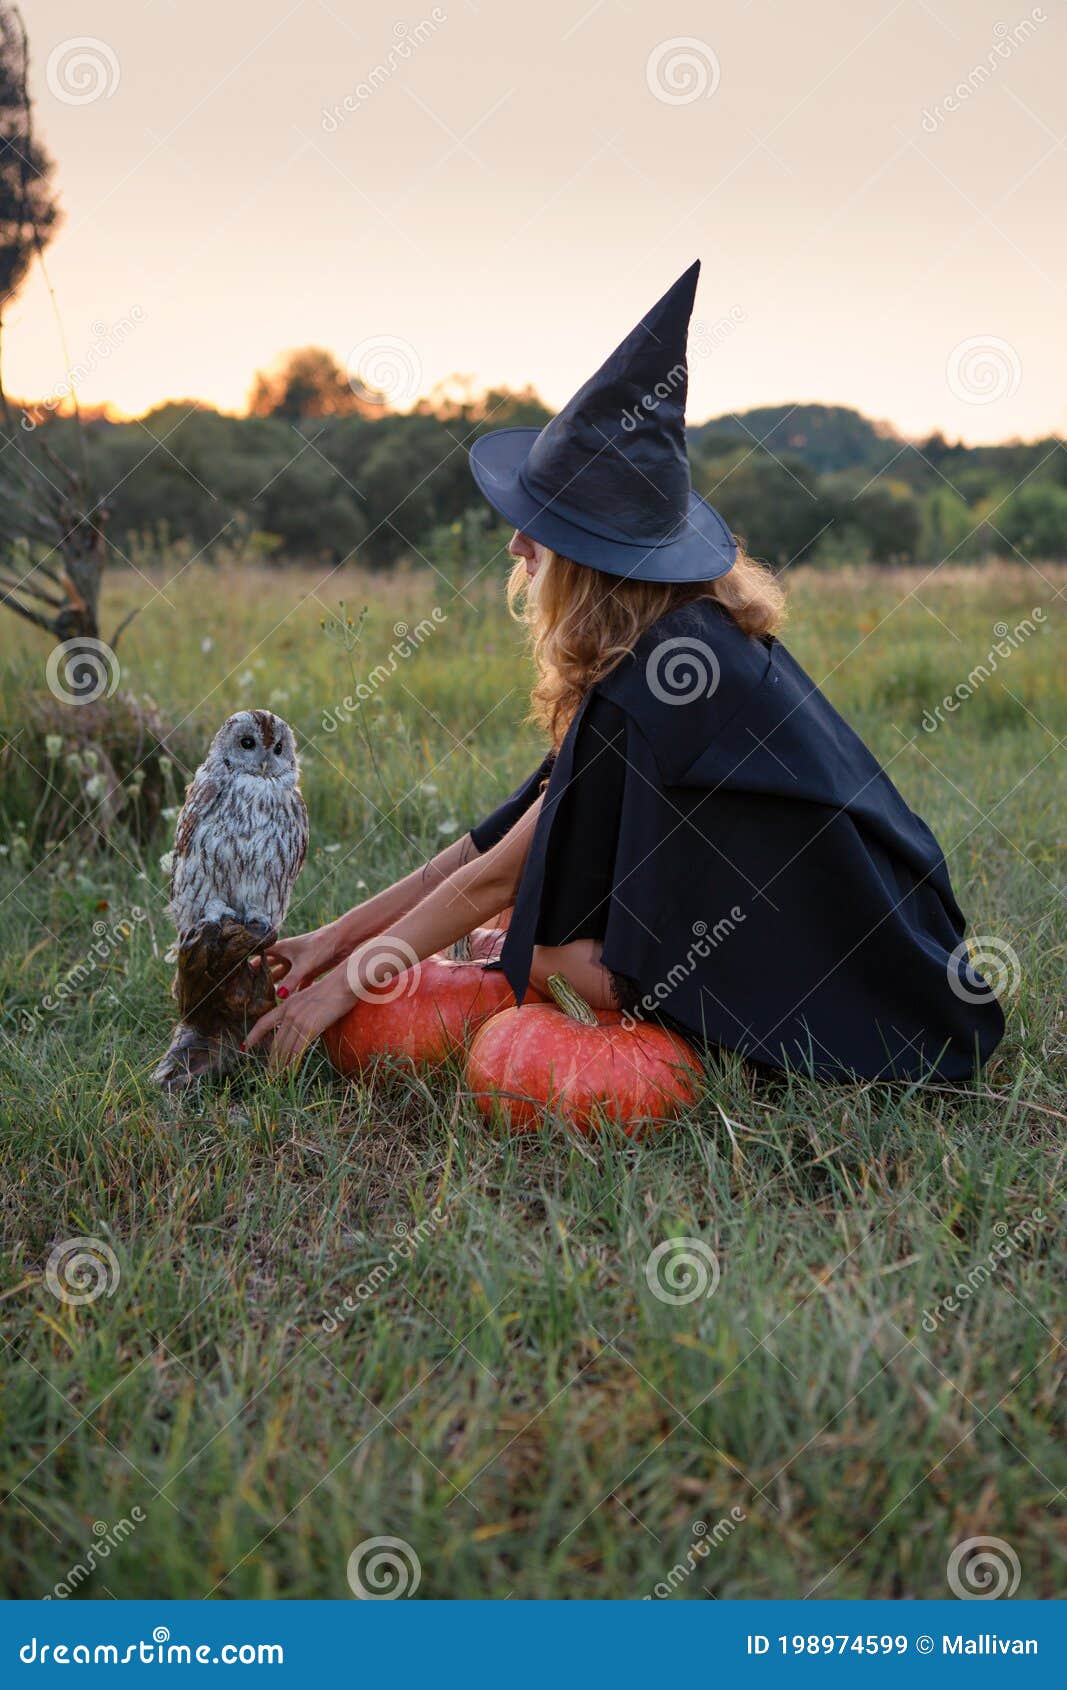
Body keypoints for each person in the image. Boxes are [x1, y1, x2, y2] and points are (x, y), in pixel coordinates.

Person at [247, 263, 1004, 1081]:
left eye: (536, 529)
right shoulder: (680, 642)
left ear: (589, 557)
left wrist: (340, 992)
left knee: (535, 956)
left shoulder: (664, 679)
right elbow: (495, 841)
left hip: (870, 994)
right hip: (897, 951)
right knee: (532, 932)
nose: (515, 547)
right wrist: (333, 942)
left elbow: (496, 877)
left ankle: (732, 1038)